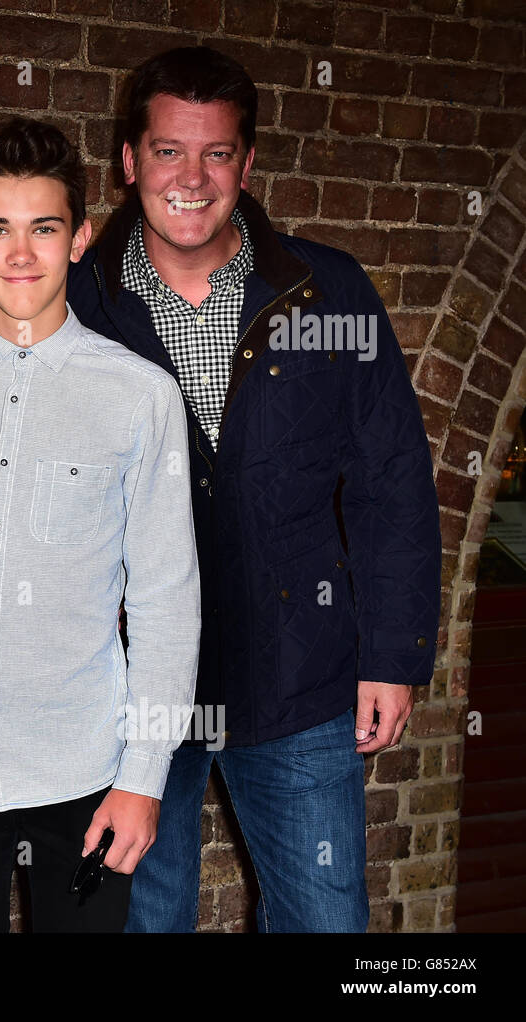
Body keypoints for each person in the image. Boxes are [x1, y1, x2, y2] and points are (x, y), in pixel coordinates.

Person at [65, 46, 441, 932]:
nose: (191, 178)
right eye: (167, 151)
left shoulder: (327, 291)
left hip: (297, 676)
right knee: (142, 922)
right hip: (129, 689)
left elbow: (392, 479)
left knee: (325, 920)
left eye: (217, 153)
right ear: (130, 161)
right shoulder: (77, 302)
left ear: (247, 163)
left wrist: (393, 653)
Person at [0, 117, 202, 932]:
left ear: (80, 239)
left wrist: (143, 778)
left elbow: (170, 603)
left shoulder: (139, 397)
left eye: (44, 228)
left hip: (86, 774)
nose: (20, 253)